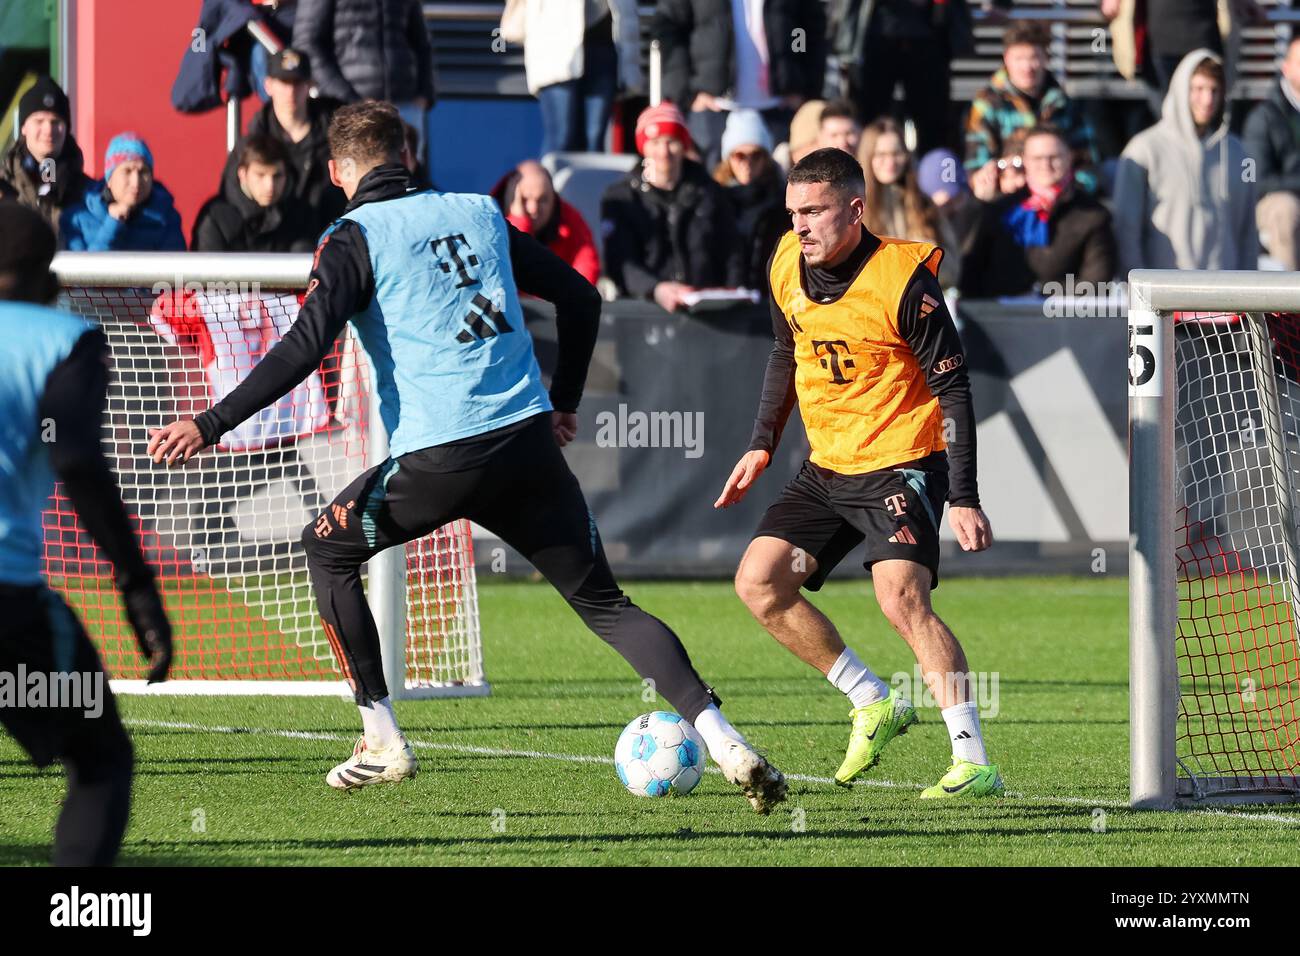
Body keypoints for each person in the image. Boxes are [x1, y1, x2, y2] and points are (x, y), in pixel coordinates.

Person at [145, 101, 787, 814]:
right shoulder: (478, 212)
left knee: (325, 550)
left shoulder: (352, 236)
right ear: (407, 155)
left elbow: (305, 345)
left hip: (441, 455)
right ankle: (724, 738)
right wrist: (566, 398)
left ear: (335, 172)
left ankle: (382, 738)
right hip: (527, 443)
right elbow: (579, 296)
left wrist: (211, 420)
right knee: (606, 606)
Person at [714, 147, 1004, 799]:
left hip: (902, 465)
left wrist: (963, 494)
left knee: (901, 599)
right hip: (829, 468)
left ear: (854, 208)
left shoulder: (905, 281)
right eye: (792, 213)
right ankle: (873, 700)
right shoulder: (786, 262)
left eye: (813, 211)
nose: (800, 226)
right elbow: (786, 352)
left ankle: (972, 760)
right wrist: (762, 442)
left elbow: (954, 391)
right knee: (760, 583)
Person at [0, 201, 173, 865]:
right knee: (100, 760)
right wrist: (135, 584)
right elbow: (76, 461)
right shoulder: (60, 339)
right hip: (10, 606)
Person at [1112, 50, 1257, 274]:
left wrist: (1249, 293)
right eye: (1198, 89)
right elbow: (1126, 229)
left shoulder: (1239, 154)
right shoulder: (1144, 149)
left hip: (1226, 296)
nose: (1208, 100)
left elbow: (1248, 232)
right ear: (1181, 90)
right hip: (1163, 295)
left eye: (1215, 90)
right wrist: (1140, 291)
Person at [600, 101, 745, 309]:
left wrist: (732, 300)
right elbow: (620, 261)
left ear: (684, 145)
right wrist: (655, 288)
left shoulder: (709, 192)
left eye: (672, 141)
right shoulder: (622, 198)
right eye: (655, 142)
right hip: (643, 311)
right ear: (643, 147)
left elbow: (732, 253)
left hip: (705, 313)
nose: (664, 152)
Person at [653, 0, 826, 169]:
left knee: (784, 189)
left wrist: (801, 83)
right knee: (712, 188)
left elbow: (806, 30)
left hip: (781, 109)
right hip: (712, 109)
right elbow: (670, 28)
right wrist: (686, 94)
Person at [829, 0, 1009, 158]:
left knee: (933, 128)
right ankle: (865, 185)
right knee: (869, 125)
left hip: (931, 33)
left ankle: (930, 188)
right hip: (873, 35)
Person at [960, 126, 1116, 298]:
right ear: (1025, 160)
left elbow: (1098, 283)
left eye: (1054, 157)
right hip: (1001, 313)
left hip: (1062, 316)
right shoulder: (1000, 209)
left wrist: (1039, 293)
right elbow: (971, 271)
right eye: (1037, 158)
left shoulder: (1092, 215)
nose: (1045, 165)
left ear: (1069, 157)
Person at [218, 48, 346, 237]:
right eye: (283, 82)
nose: (290, 91)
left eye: (298, 82)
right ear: (268, 85)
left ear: (309, 85)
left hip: (330, 241)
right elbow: (231, 199)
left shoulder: (338, 139)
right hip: (271, 245)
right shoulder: (251, 145)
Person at [964, 22, 1099, 193]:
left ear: (1046, 58)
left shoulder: (1065, 104)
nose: (1027, 67)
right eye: (1019, 58)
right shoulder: (987, 104)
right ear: (1006, 58)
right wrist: (1000, 181)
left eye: (1034, 57)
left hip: (1060, 197)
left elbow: (1088, 163)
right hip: (1007, 197)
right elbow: (976, 168)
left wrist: (1065, 188)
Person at [292, 0, 435, 158]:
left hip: (404, 105)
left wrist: (424, 93)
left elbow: (421, 43)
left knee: (409, 177)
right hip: (348, 109)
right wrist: (349, 100)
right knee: (357, 173)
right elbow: (307, 44)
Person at [514, 0, 643, 156]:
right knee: (562, 138)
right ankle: (551, 180)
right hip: (556, 49)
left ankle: (593, 181)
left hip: (605, 45)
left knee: (595, 140)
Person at [857, 118, 959, 289]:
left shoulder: (923, 203)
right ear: (868, 157)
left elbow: (951, 269)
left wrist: (927, 257)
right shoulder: (855, 207)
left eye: (896, 154)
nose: (890, 162)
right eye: (881, 154)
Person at [0, 76, 91, 241]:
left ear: (67, 129)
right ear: (24, 128)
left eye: (56, 122)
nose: (48, 130)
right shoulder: (4, 186)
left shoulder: (88, 192)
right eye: (39, 121)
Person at [61, 134, 186, 252]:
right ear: (109, 179)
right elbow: (81, 272)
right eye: (127, 171)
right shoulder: (76, 218)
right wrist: (113, 223)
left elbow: (176, 270)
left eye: (143, 172)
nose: (136, 182)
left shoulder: (167, 217)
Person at [193, 134, 318, 252]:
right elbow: (206, 272)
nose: (270, 186)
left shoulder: (301, 214)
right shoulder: (215, 216)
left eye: (277, 176)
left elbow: (303, 265)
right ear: (243, 174)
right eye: (260, 175)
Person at [490, 160, 600, 285]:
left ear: (554, 200)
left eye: (543, 200)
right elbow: (507, 278)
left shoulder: (569, 219)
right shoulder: (486, 222)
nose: (533, 208)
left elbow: (586, 273)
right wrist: (518, 221)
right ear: (509, 198)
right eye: (524, 199)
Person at [714, 109, 789, 291]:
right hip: (724, 295)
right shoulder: (713, 201)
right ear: (728, 158)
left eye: (756, 155)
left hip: (769, 296)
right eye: (739, 155)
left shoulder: (782, 201)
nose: (747, 163)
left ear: (766, 158)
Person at [1243, 34, 1300, 271]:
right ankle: (1291, 302)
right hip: (1272, 203)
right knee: (1284, 209)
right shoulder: (1262, 117)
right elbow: (1255, 180)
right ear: (1286, 68)